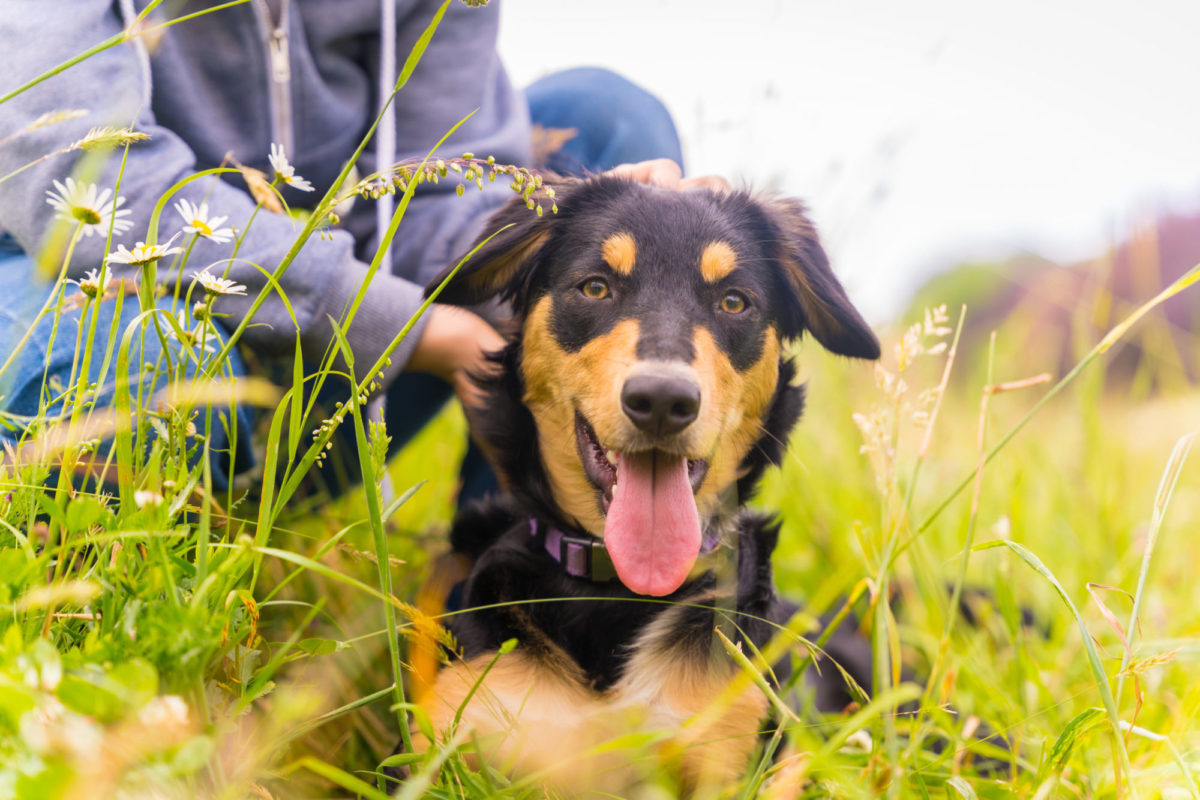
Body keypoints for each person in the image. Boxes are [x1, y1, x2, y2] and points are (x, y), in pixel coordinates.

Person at [0, 0, 703, 500]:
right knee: (128, 364)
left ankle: (508, 589)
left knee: (609, 125)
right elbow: (80, 183)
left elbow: (443, 195)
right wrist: (408, 325)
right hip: (108, 305)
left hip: (349, 375)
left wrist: (567, 232)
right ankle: (114, 637)